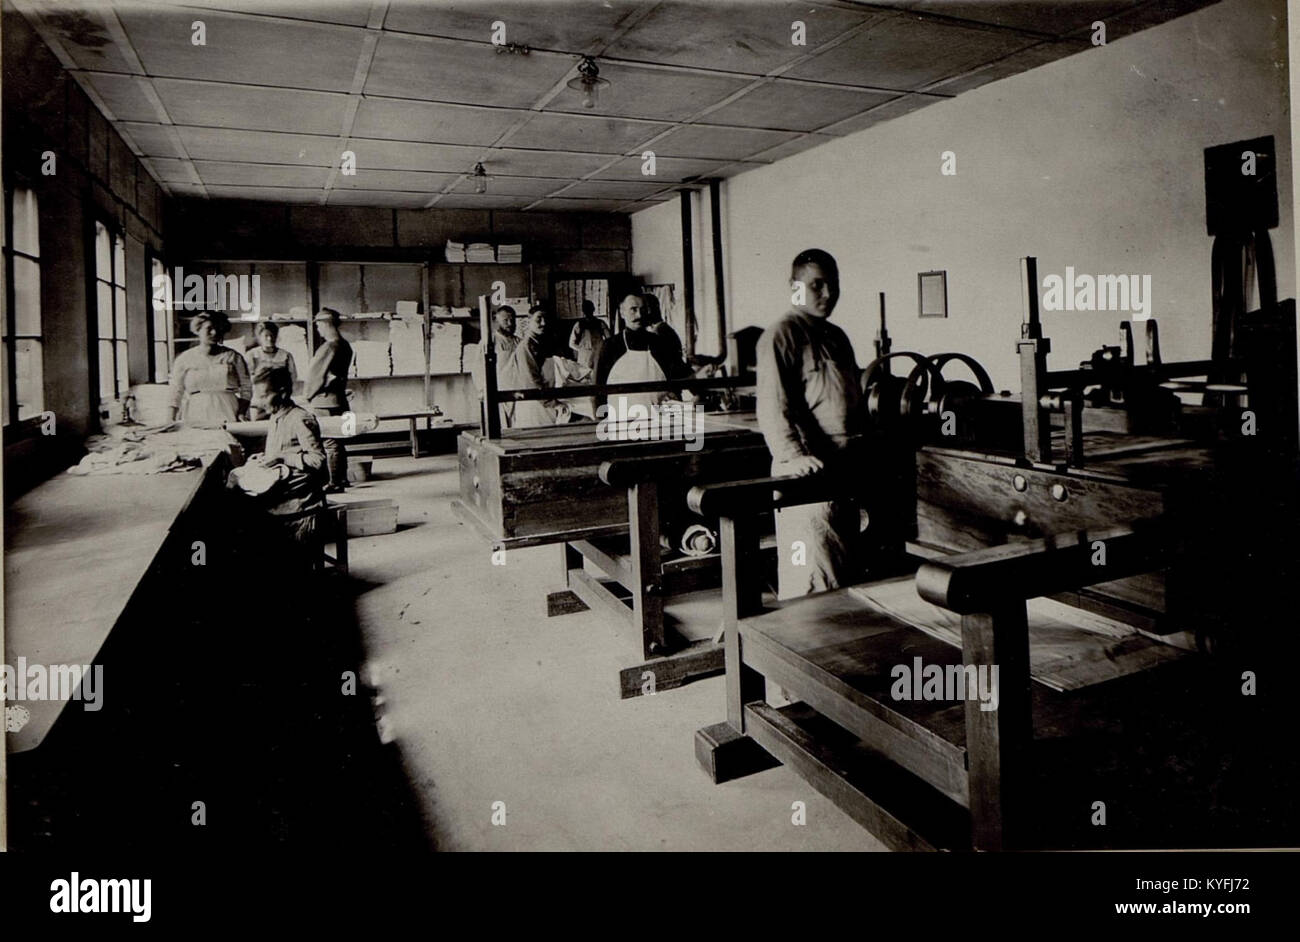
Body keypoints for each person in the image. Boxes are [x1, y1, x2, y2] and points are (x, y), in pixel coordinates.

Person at [757, 249, 866, 598]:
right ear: (795, 287)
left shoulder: (837, 337)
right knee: (810, 574)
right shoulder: (781, 334)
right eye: (816, 285)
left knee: (842, 572)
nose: (827, 294)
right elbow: (774, 407)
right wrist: (793, 457)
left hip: (843, 469)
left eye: (832, 285)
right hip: (806, 474)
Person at [229, 365, 328, 548]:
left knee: (241, 507)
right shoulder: (275, 417)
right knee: (234, 489)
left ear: (282, 393)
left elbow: (318, 460)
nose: (258, 402)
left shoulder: (300, 418)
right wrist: (262, 459)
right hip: (284, 488)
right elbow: (280, 451)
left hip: (300, 497)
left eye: (264, 396)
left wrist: (282, 458)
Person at [595, 292, 689, 410]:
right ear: (622, 312)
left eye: (643, 309)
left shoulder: (659, 343)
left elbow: (681, 374)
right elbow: (598, 389)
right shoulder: (611, 346)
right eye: (633, 309)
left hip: (658, 417)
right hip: (623, 419)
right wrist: (601, 420)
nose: (639, 315)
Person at [168, 310, 252, 428]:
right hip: (196, 412)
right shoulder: (184, 359)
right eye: (209, 328)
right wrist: (170, 420)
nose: (214, 332)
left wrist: (242, 413)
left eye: (218, 328)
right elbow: (175, 391)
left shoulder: (233, 357)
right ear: (198, 329)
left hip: (228, 411)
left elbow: (247, 388)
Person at [304, 307, 353, 493]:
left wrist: (307, 396)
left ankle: (334, 482)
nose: (318, 329)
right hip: (339, 399)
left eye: (318, 325)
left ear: (325, 324)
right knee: (338, 442)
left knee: (329, 442)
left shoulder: (328, 347)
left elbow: (315, 376)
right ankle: (342, 478)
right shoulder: (345, 345)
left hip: (324, 402)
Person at [500, 304, 567, 427]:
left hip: (544, 399)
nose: (543, 323)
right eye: (538, 319)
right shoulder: (526, 346)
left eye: (546, 319)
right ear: (528, 321)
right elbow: (530, 380)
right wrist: (552, 403)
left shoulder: (541, 342)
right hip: (535, 402)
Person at [246, 320, 298, 420]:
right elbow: (246, 382)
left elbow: (293, 379)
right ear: (259, 337)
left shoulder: (285, 355)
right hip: (258, 404)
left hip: (280, 403)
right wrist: (259, 375)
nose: (270, 338)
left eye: (273, 335)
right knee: (259, 431)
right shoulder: (252, 355)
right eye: (266, 335)